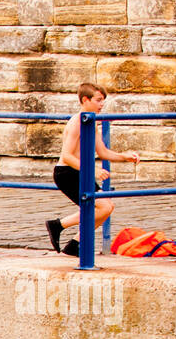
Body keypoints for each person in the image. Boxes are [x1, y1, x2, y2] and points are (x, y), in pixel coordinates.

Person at [46, 82, 141, 256]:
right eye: (98, 100)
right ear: (85, 100)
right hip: (66, 172)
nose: (101, 104)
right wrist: (93, 171)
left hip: (80, 171)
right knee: (103, 207)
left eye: (103, 100)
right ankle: (61, 227)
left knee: (106, 207)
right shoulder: (77, 122)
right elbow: (67, 155)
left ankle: (71, 242)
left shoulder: (91, 122)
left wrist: (124, 156)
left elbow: (103, 152)